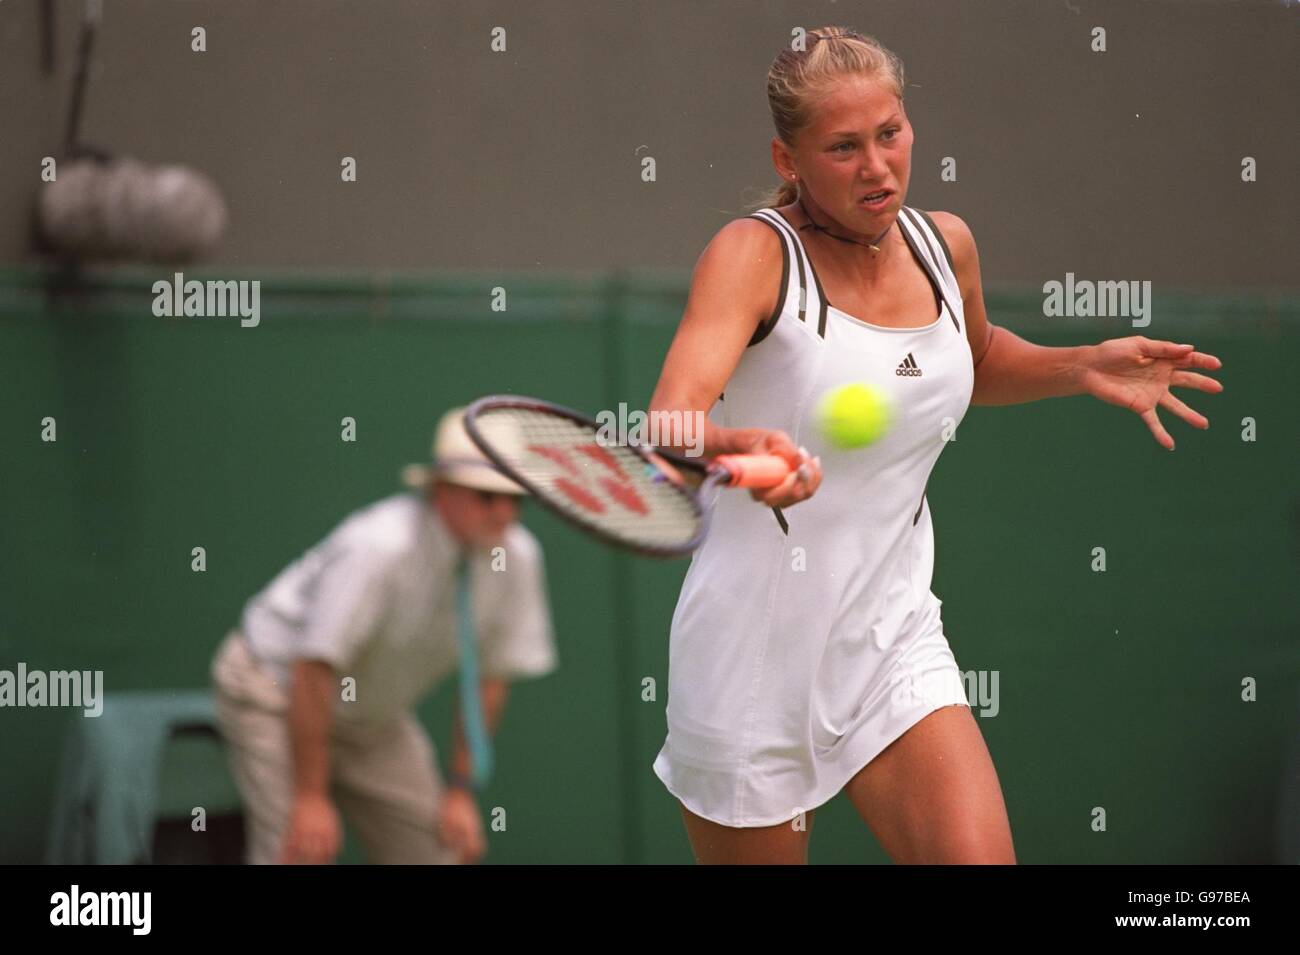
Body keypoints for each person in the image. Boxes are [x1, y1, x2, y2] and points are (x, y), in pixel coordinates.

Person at [647, 27, 1223, 864]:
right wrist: (741, 451)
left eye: (890, 133)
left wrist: (1081, 364)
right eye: (843, 147)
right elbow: (670, 422)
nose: (878, 165)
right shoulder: (751, 256)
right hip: (751, 658)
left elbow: (977, 357)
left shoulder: (944, 244)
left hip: (892, 638)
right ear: (788, 158)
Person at [211, 408, 558, 864]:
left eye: (515, 499)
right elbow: (313, 669)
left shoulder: (520, 559)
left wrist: (460, 789)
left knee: (441, 853)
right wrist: (311, 797)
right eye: (485, 495)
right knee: (299, 854)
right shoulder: (379, 545)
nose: (503, 512)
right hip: (274, 691)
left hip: (370, 716)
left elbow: (489, 681)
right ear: (440, 489)